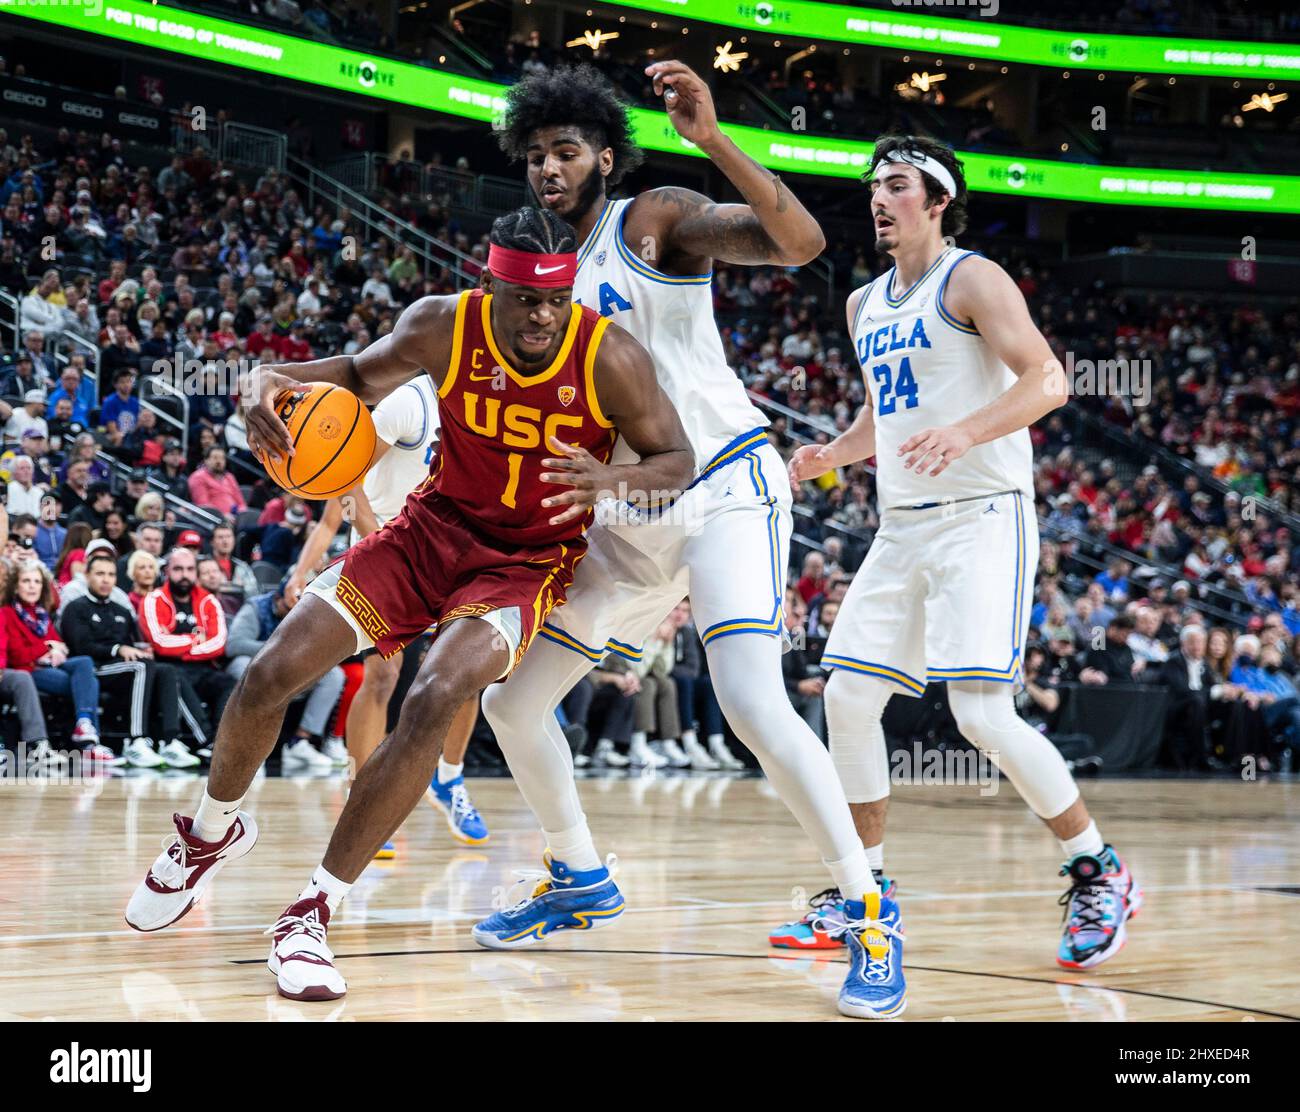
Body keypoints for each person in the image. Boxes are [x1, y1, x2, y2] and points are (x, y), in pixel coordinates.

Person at [123, 206, 695, 1005]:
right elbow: (356, 376)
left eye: (555, 300)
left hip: (525, 562)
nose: (542, 316)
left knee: (436, 694)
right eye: (524, 299)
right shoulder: (441, 326)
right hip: (428, 530)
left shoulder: (609, 358)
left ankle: (313, 912)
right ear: (488, 285)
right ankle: (208, 836)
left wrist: (613, 481)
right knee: (270, 672)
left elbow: (677, 458)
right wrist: (262, 379)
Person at [477, 64, 886, 1021]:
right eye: (534, 154)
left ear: (605, 158)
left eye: (566, 151)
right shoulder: (533, 276)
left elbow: (801, 243)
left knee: (749, 701)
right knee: (513, 703)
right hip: (623, 510)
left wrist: (713, 140)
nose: (547, 168)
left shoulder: (651, 218)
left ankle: (870, 912)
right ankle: (579, 872)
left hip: (724, 485)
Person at [778, 134, 1139, 1012]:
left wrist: (968, 433)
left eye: (897, 184)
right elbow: (885, 412)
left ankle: (1097, 868)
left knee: (980, 713)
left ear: (937, 200)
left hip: (983, 516)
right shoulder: (866, 302)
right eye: (873, 185)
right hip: (902, 525)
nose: (878, 197)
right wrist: (834, 453)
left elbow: (1048, 379)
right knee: (846, 700)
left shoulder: (972, 278)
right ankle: (867, 891)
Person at [287, 371, 488, 853]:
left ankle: (449, 778)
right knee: (382, 676)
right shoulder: (408, 401)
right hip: (388, 550)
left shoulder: (485, 405)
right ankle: (362, 797)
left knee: (469, 673)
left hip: (454, 552)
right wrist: (380, 539)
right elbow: (345, 482)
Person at [60, 551, 191, 768]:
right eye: (100, 573)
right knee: (142, 667)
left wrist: (141, 648)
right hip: (93, 669)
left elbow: (134, 642)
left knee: (165, 670)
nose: (105, 579)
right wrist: (117, 649)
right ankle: (135, 740)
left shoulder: (121, 610)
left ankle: (170, 741)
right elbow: (80, 646)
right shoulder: (76, 607)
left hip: (122, 667)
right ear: (87, 575)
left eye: (111, 574)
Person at [225, 578, 345, 771]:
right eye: (290, 609)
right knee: (242, 665)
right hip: (257, 666)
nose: (294, 614)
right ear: (279, 599)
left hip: (286, 669)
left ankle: (299, 742)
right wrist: (277, 651)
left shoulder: (310, 614)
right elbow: (235, 645)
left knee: (333, 675)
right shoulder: (255, 608)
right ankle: (248, 746)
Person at [138, 545, 234, 763]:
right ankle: (207, 742)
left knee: (229, 682)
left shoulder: (209, 601)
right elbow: (159, 642)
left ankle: (223, 742)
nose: (184, 575)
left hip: (202, 667)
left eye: (190, 569)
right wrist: (193, 641)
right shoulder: (154, 600)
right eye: (178, 569)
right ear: (167, 571)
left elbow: (218, 643)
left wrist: (182, 649)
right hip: (166, 668)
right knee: (175, 676)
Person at [1, 559, 101, 747]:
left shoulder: (41, 614)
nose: (32, 586)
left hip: (48, 665)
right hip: (28, 670)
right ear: (16, 587)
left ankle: (84, 724)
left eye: (37, 582)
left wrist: (53, 650)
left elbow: (61, 646)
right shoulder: (7, 613)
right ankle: (89, 742)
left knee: (85, 663)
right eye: (26, 581)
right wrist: (47, 647)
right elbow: (18, 656)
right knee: (89, 683)